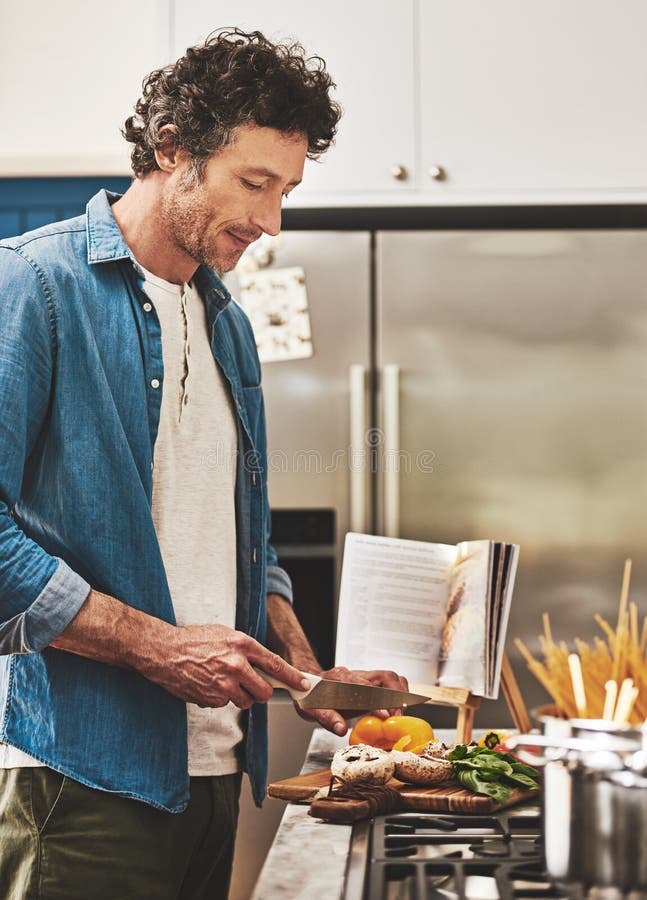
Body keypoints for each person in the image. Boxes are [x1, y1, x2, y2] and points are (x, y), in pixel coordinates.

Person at [0, 28, 409, 900]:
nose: (271, 221)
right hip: (84, 779)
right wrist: (157, 648)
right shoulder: (32, 288)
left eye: (286, 190)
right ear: (171, 148)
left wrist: (309, 676)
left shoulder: (226, 321)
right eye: (253, 183)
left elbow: (241, 542)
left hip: (218, 771)